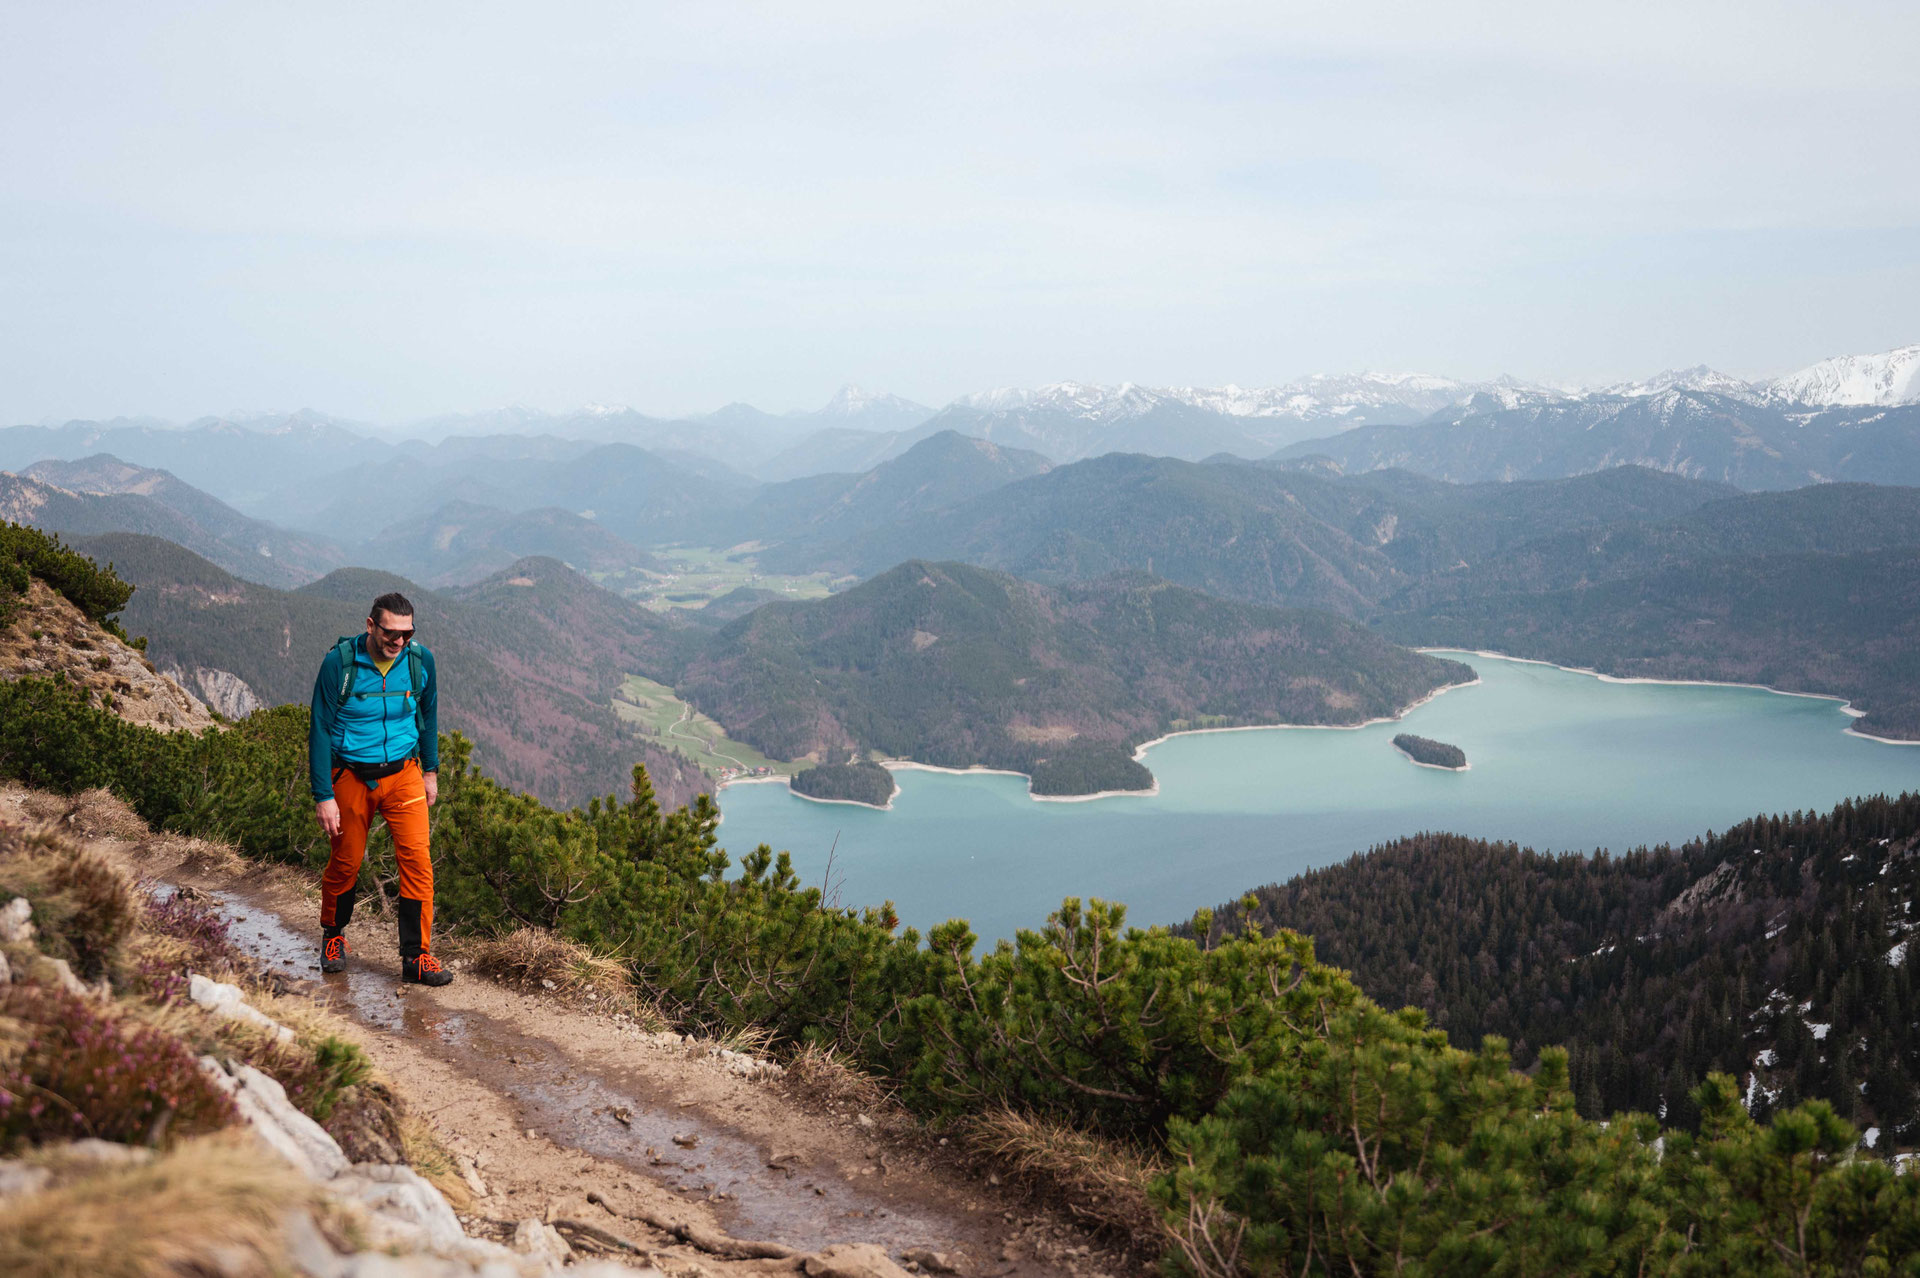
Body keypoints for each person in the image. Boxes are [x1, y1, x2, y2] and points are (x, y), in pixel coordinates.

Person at [308, 591, 452, 986]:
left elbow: (430, 712)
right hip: (351, 774)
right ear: (371, 625)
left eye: (407, 633)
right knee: (347, 862)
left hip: (405, 772)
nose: (399, 641)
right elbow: (319, 728)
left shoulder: (420, 662)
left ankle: (416, 957)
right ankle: (333, 935)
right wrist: (323, 795)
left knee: (418, 864)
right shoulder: (339, 665)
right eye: (391, 633)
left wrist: (431, 771)